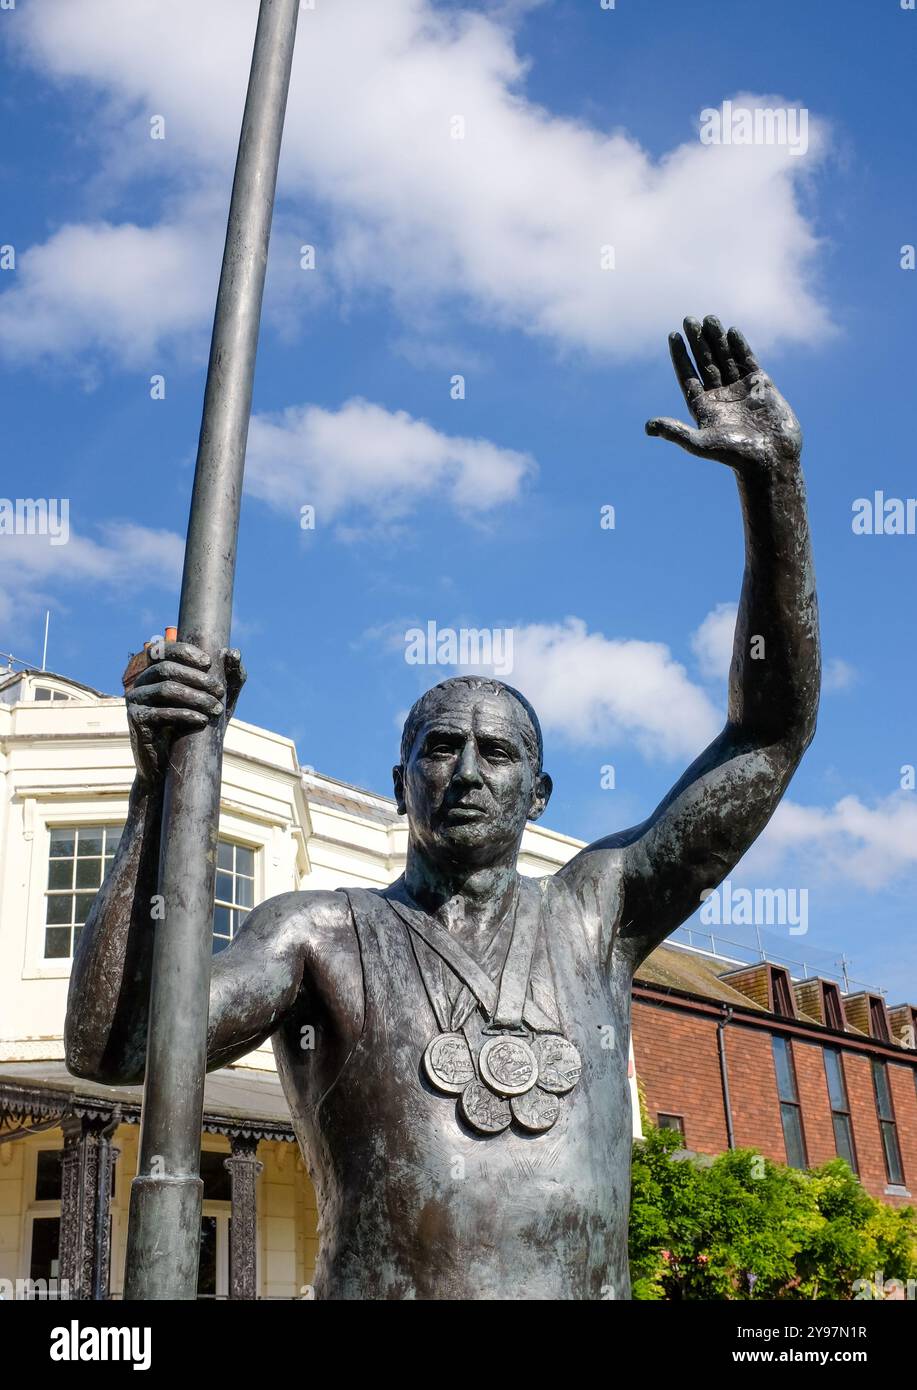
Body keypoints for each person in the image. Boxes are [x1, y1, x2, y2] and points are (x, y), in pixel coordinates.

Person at [66, 317, 820, 1299]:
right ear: (398, 785)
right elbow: (113, 1047)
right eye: (439, 747)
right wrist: (155, 788)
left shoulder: (593, 914)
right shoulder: (320, 936)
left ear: (536, 793)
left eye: (497, 752)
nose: (466, 768)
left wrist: (773, 489)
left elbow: (766, 734)